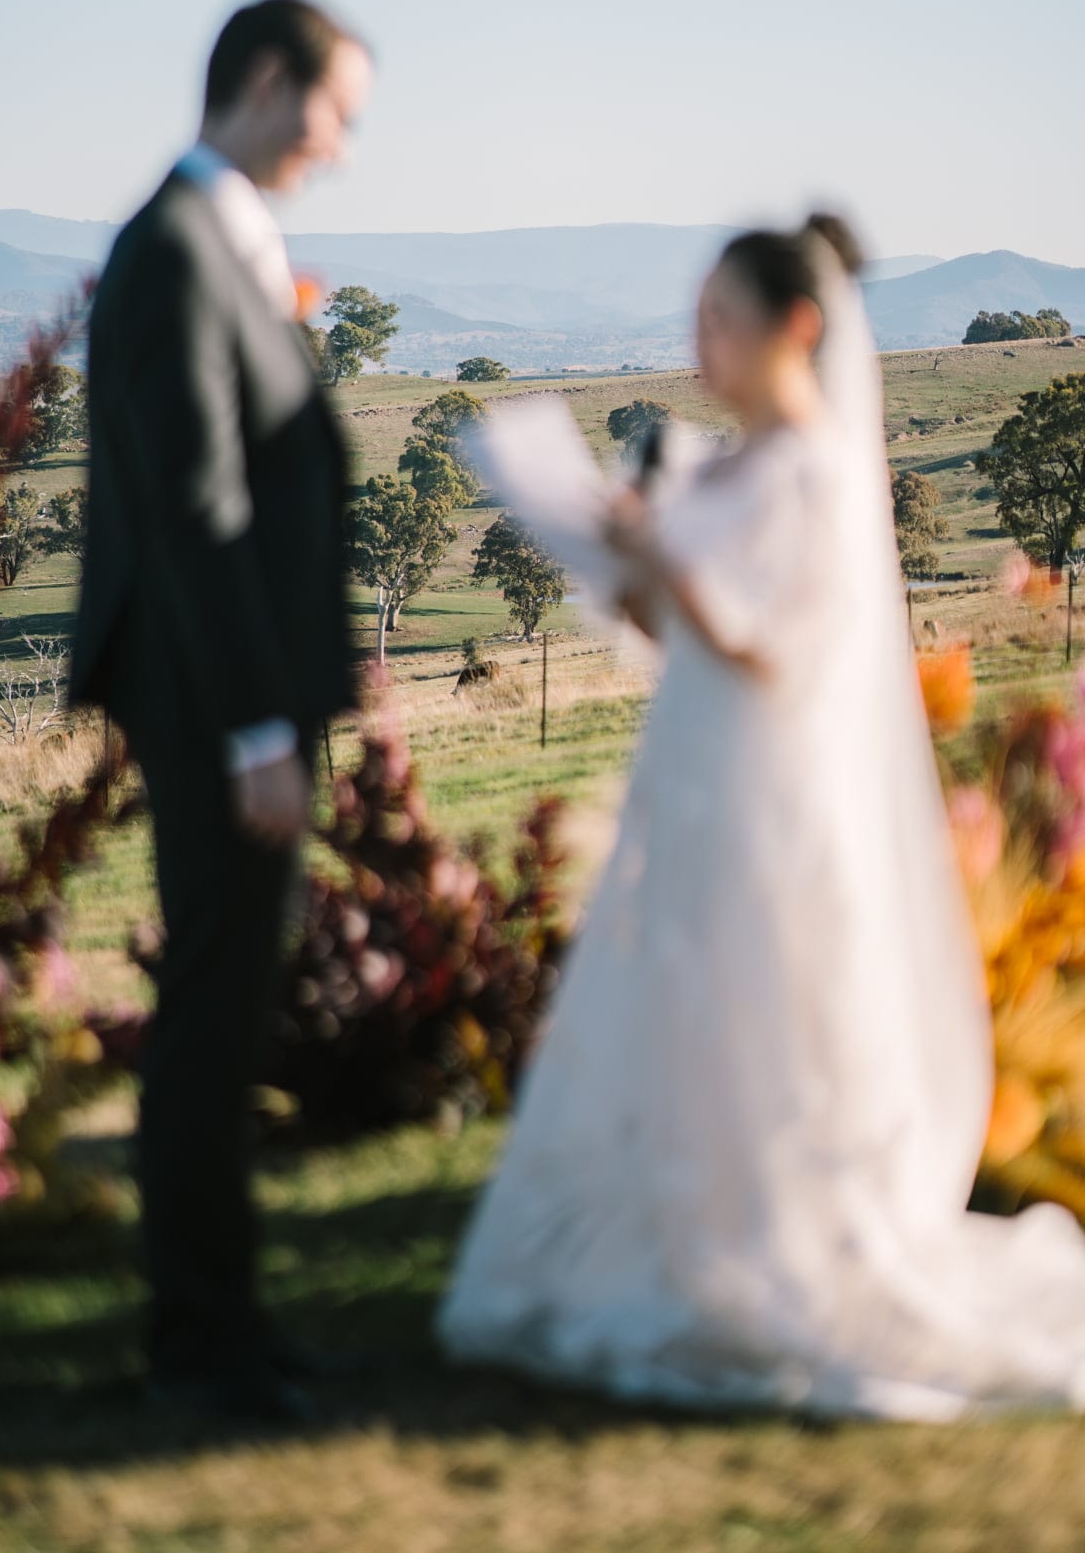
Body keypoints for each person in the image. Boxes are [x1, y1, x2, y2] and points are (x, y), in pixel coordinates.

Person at [439, 214, 1085, 1420]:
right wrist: (622, 555)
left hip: (774, 791)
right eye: (695, 317)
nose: (701, 343)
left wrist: (668, 566)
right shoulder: (717, 464)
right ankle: (689, 1240)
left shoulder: (820, 472)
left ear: (796, 325)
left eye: (719, 319)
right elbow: (667, 631)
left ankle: (786, 1254)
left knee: (770, 999)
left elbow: (774, 652)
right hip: (686, 780)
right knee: (683, 1001)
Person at [72, 0, 373, 1424]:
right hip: (208, 699)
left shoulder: (212, 238)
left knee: (235, 997)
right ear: (266, 80)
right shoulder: (177, 250)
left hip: (232, 690)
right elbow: (198, 508)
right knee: (210, 1008)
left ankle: (231, 1318)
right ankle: (198, 1343)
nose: (342, 142)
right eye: (335, 111)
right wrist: (259, 733)